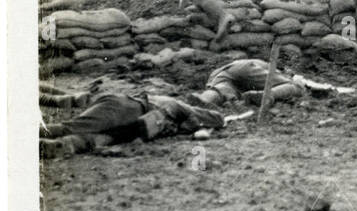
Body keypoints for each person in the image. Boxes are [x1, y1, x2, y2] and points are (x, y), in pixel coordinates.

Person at [40, 87, 225, 157]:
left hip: (129, 116)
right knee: (71, 127)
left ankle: (57, 146)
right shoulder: (180, 107)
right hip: (125, 107)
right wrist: (192, 129)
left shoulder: (172, 107)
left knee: (100, 138)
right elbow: (192, 123)